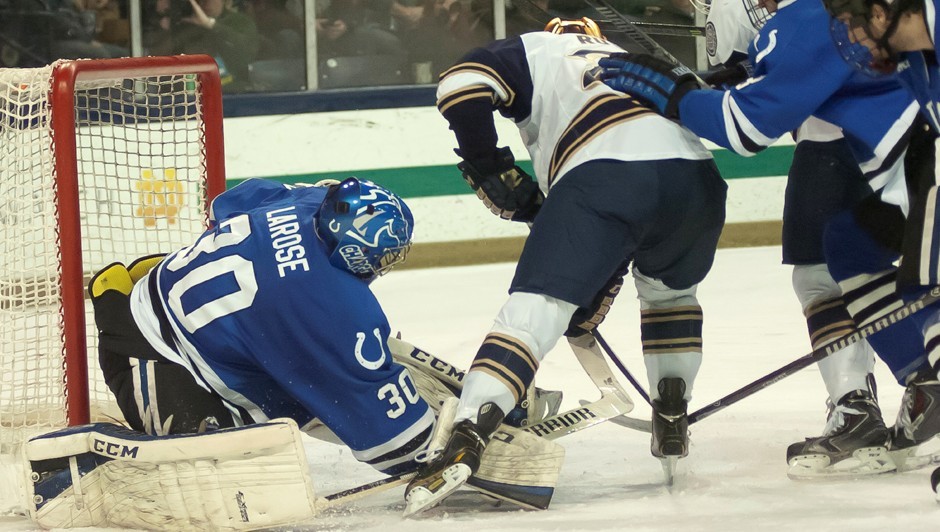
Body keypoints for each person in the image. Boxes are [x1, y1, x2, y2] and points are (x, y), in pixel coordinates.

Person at [599, 0, 940, 476]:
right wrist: (743, 72)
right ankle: (921, 388)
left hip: (850, 148)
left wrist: (680, 97)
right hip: (888, 145)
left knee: (843, 272)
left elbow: (747, 125)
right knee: (851, 250)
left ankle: (863, 405)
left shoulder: (806, 16)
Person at [403, 17, 727, 516]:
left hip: (602, 175)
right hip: (696, 179)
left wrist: (488, 163)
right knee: (670, 297)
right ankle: (672, 412)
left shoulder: (537, 48)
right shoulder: (628, 57)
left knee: (536, 309)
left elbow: (459, 85)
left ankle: (468, 433)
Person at [89, 177, 439, 475]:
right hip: (150, 351)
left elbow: (226, 204)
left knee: (302, 384)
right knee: (212, 473)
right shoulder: (329, 304)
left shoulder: (311, 200)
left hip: (163, 299)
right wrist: (432, 446)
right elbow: (397, 444)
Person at [171, 0, 261, 91]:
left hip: (234, 91)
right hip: (193, 93)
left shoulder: (240, 22)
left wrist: (211, 24)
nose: (205, 3)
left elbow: (246, 50)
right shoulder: (185, 27)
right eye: (199, 0)